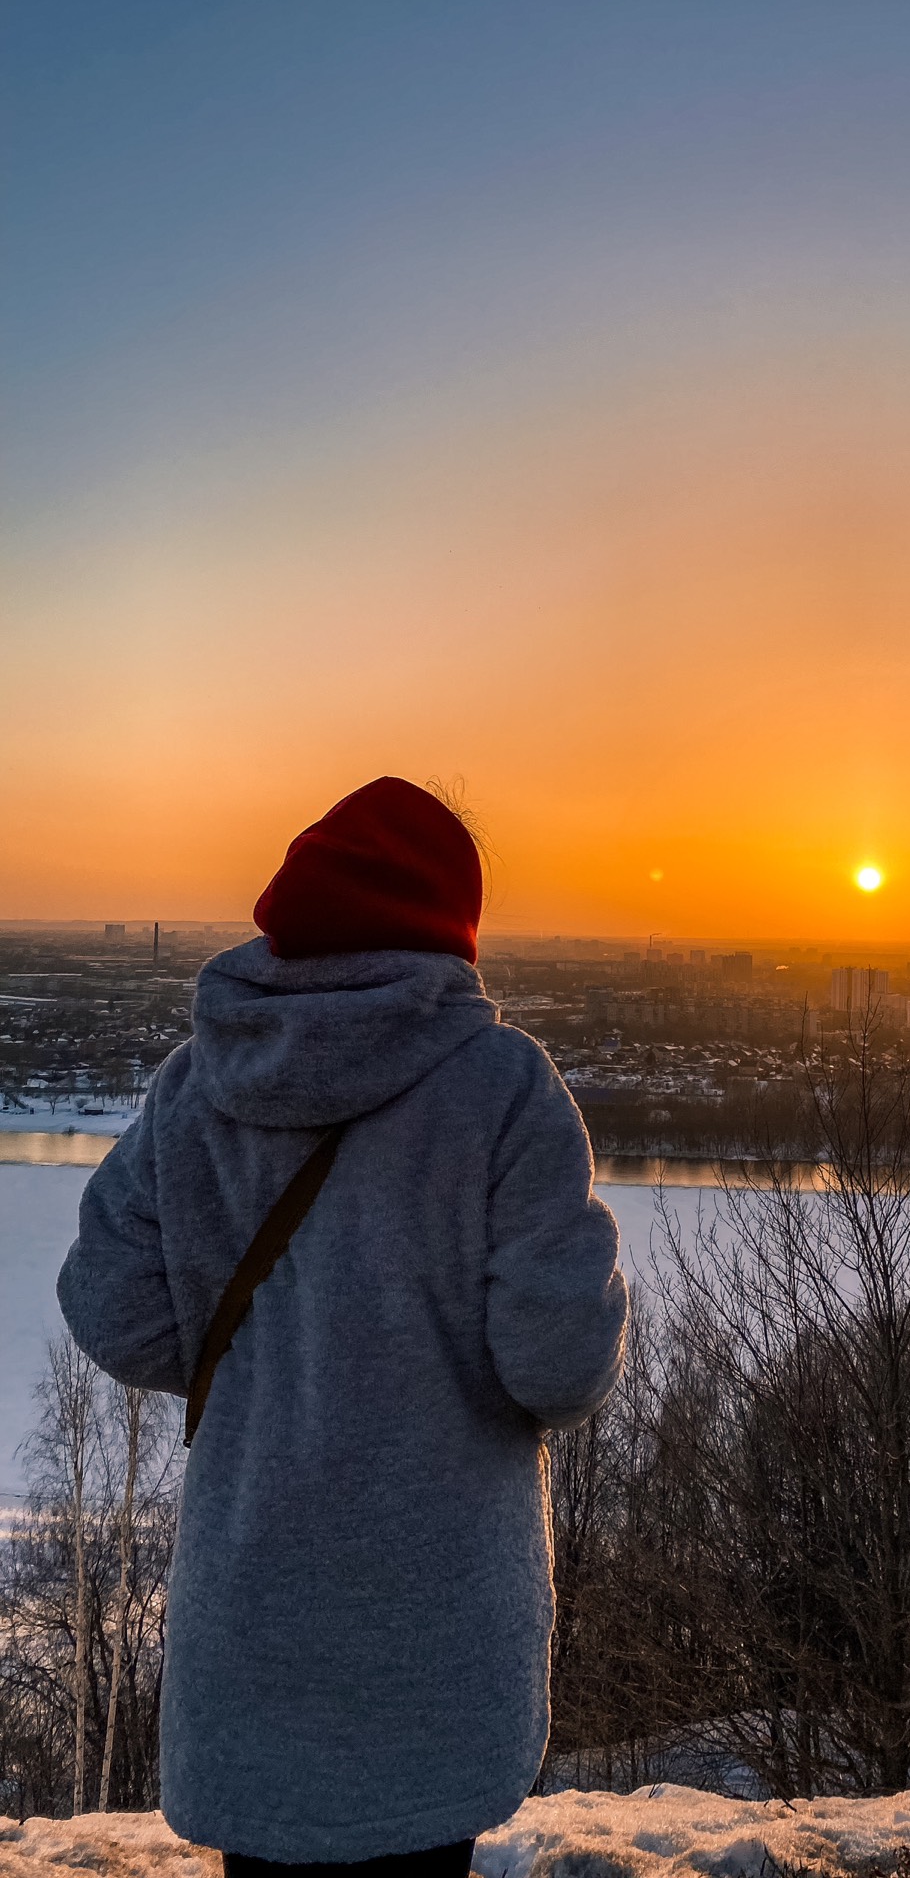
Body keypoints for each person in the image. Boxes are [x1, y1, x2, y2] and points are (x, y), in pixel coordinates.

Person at [58, 777, 627, 1878]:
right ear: (453, 928)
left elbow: (112, 1306)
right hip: (430, 1635)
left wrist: (270, 1372)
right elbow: (558, 1364)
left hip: (251, 1614)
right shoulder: (501, 1086)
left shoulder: (196, 1084)